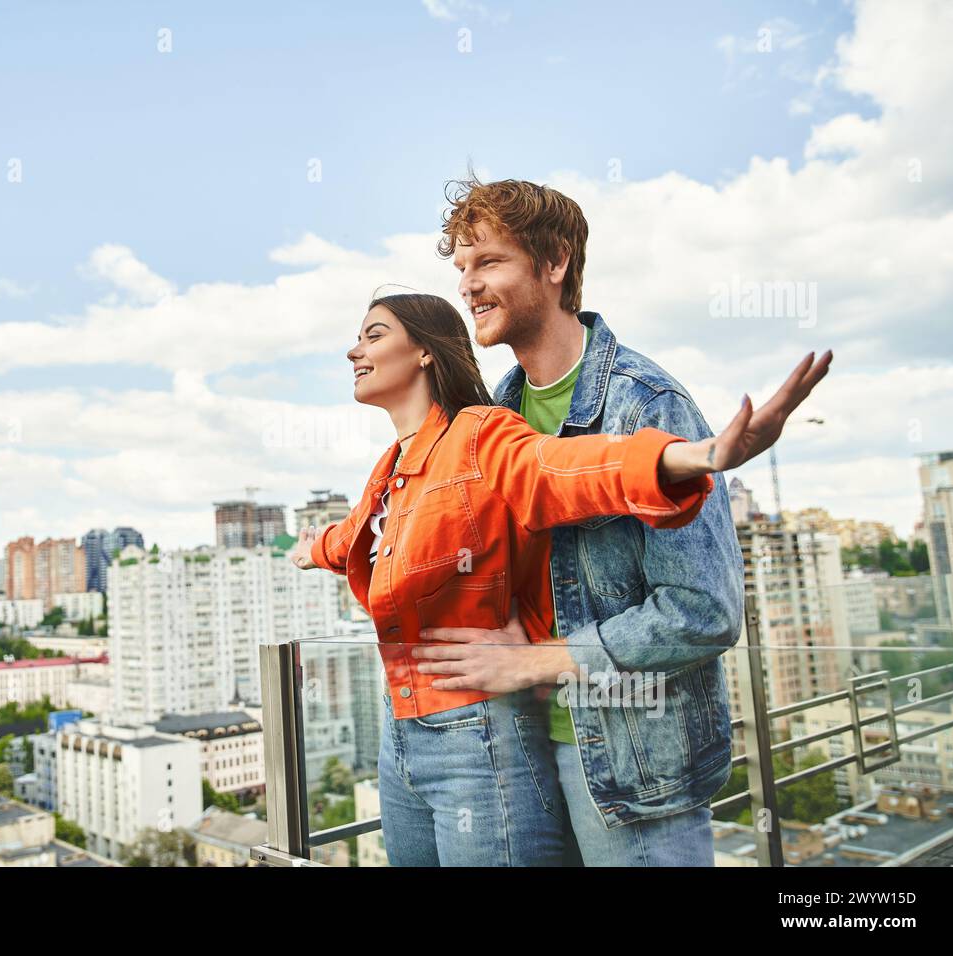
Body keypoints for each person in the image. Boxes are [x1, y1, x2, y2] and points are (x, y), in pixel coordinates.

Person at [291, 290, 830, 866]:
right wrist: (310, 549)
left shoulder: (479, 433)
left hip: (478, 735)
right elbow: (357, 535)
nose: (354, 352)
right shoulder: (392, 465)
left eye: (373, 335)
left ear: (425, 352)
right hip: (400, 735)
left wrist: (693, 458)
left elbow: (565, 469)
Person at [413, 174, 832, 866]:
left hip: (635, 769)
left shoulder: (647, 405)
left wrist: (539, 661)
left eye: (488, 261)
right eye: (461, 267)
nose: (467, 286)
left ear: (555, 265)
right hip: (517, 757)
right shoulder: (493, 419)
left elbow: (704, 611)